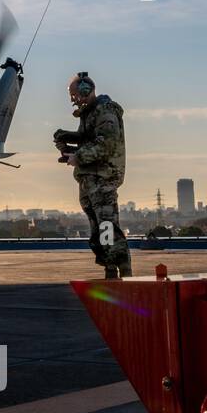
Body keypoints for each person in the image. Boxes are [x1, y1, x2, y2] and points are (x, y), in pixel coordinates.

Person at [54, 72, 132, 278]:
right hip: (90, 180)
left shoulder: (105, 112)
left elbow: (105, 144)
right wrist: (68, 140)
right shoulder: (90, 114)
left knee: (107, 228)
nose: (73, 100)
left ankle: (122, 272)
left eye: (74, 95)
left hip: (102, 180)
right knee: (99, 230)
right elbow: (89, 139)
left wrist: (77, 157)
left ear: (85, 92)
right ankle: (111, 269)